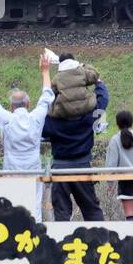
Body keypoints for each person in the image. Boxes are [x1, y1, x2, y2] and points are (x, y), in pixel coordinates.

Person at [0, 57, 54, 214]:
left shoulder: (6, 119)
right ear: (28, 104)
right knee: (34, 205)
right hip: (33, 166)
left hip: (11, 167)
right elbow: (46, 98)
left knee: (11, 205)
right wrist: (45, 72)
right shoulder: (35, 118)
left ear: (11, 106)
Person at [41, 78, 110, 221]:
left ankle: (62, 242)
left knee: (61, 213)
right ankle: (100, 241)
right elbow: (103, 100)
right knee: (92, 210)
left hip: (59, 168)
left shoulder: (52, 118)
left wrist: (51, 90)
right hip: (82, 166)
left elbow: (42, 129)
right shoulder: (88, 113)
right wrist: (98, 82)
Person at [51, 53, 99, 119]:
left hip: (65, 111)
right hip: (86, 107)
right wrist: (84, 65)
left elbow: (51, 92)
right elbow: (95, 75)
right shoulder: (82, 71)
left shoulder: (57, 77)